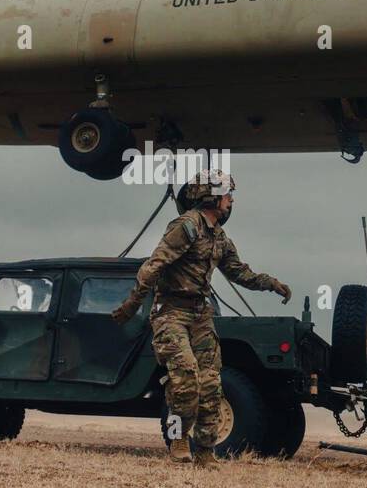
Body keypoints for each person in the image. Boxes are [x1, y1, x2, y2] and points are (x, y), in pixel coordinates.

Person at [112, 170, 291, 465]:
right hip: (171, 313)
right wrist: (132, 304)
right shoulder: (186, 227)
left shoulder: (219, 237)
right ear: (211, 197)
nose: (231, 202)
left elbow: (238, 272)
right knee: (185, 378)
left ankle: (206, 451)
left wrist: (271, 283)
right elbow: (153, 266)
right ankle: (179, 439)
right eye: (227, 196)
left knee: (210, 385)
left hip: (200, 315)